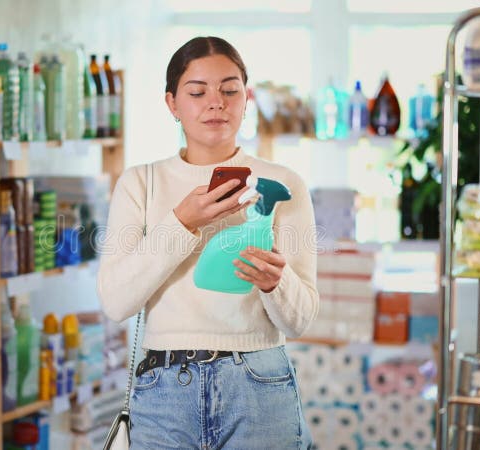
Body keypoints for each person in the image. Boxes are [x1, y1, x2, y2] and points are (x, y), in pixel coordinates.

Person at [97, 36, 318, 449]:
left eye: (230, 90)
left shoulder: (283, 185)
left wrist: (275, 283)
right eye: (197, 92)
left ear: (245, 99)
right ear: (172, 104)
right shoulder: (141, 184)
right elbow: (116, 302)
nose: (216, 102)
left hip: (259, 385)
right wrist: (183, 221)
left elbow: (300, 320)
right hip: (164, 391)